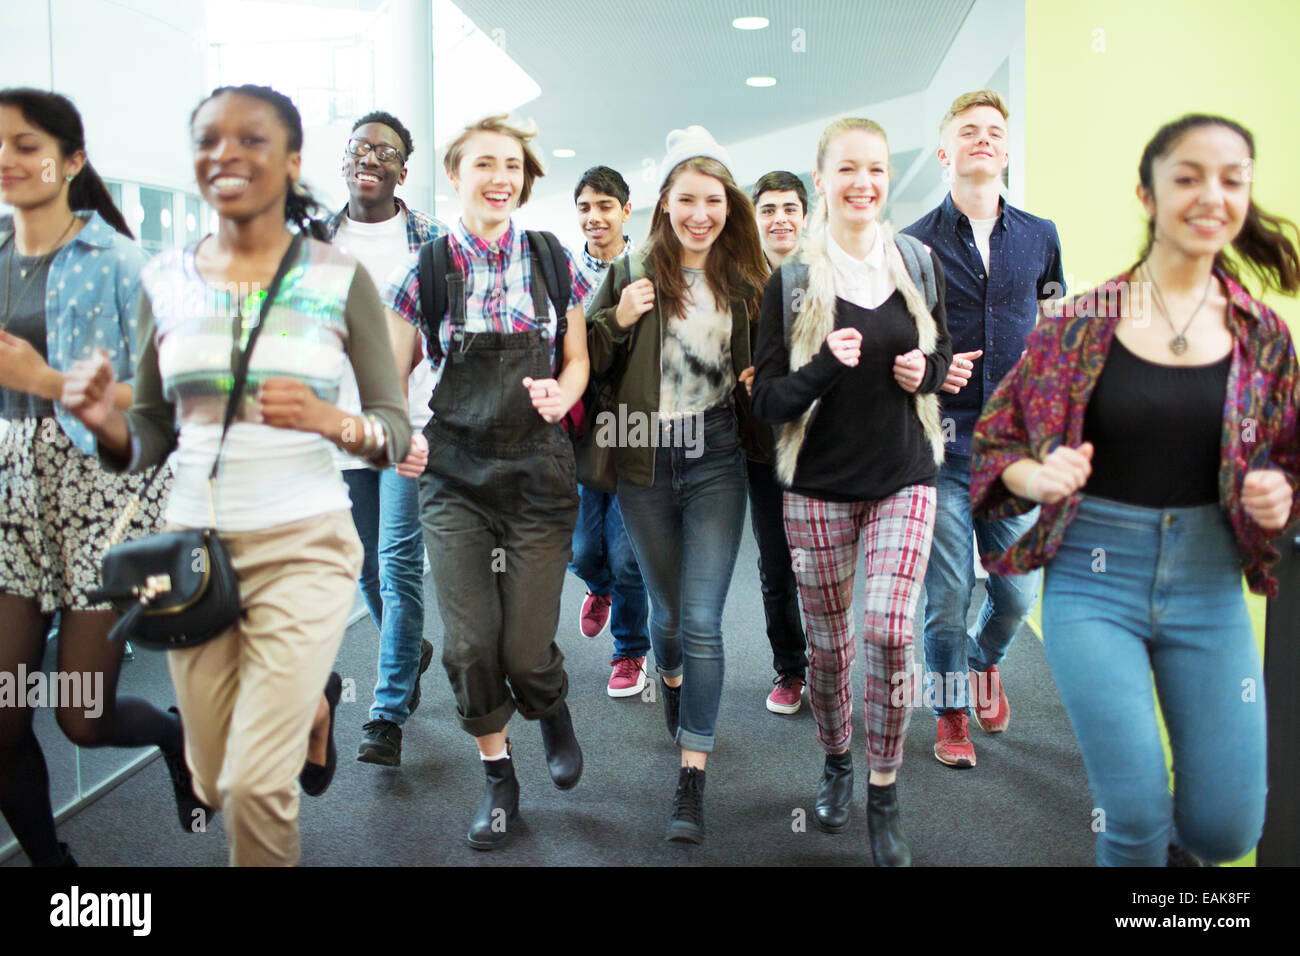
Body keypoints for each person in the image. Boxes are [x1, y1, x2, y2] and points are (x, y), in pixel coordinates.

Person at [63, 84, 415, 866]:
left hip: (307, 543)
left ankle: (301, 715)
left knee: (257, 786)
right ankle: (316, 711)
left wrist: (329, 420)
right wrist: (101, 422)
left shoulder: (336, 277)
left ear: (291, 162)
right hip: (192, 551)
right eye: (208, 140)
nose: (226, 154)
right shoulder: (165, 279)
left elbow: (392, 435)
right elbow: (150, 437)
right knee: (215, 777)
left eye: (251, 140)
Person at [971, 113, 1299, 867]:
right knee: (1136, 814)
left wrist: (1275, 491)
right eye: (1187, 176)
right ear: (1147, 195)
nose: (1211, 194)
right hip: (1096, 579)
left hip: (1210, 583)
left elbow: (1287, 456)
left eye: (1232, 178)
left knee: (1225, 828)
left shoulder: (1262, 336)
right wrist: (1037, 475)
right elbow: (998, 446)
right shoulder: (1079, 326)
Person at [0, 88, 201, 867]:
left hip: (103, 501)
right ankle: (55, 869)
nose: (8, 158)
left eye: (26, 143)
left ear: (71, 160)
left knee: (81, 717)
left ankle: (172, 736)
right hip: (14, 501)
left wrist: (49, 380)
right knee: (4, 721)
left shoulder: (125, 264)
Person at [383, 114, 589, 851]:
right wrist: (398, 430)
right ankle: (500, 778)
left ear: (526, 180)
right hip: (455, 478)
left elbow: (579, 357)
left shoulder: (552, 259)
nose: (501, 177)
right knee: (470, 647)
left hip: (538, 473)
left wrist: (566, 394)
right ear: (456, 174)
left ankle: (550, 701)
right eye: (484, 164)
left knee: (526, 650)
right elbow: (392, 371)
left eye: (513, 165)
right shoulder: (430, 269)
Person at [751, 117, 953, 866]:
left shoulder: (919, 263)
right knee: (831, 653)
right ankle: (837, 757)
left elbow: (942, 362)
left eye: (875, 169)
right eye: (847, 170)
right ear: (822, 179)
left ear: (887, 177)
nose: (863, 183)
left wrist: (924, 375)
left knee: (890, 632)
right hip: (818, 487)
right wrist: (821, 371)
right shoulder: (795, 279)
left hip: (904, 476)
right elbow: (767, 401)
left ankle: (884, 785)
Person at [586, 126, 767, 844]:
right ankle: (668, 678)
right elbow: (588, 361)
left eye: (713, 200)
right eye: (686, 199)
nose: (700, 213)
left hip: (716, 454)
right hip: (643, 457)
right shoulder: (632, 268)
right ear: (664, 204)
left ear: (728, 206)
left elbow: (768, 362)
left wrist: (763, 382)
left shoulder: (745, 280)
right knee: (664, 616)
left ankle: (692, 773)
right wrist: (617, 318)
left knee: (702, 620)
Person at [902, 90, 1064, 768]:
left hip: (1015, 453)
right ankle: (949, 713)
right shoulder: (911, 243)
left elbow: (1056, 323)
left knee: (1015, 594)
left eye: (994, 131)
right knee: (945, 599)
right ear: (946, 151)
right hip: (940, 446)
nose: (984, 139)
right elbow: (894, 346)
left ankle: (982, 659)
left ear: (1005, 147)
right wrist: (925, 371)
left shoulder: (1040, 235)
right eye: (969, 131)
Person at [323, 110, 443, 767]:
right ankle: (412, 646)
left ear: (403, 167)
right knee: (363, 565)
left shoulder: (430, 239)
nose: (370, 157)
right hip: (337, 426)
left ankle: (386, 712)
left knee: (397, 567)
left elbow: (453, 336)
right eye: (359, 146)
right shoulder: (312, 237)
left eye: (386, 150)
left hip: (408, 425)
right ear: (344, 159)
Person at [566, 165, 651, 698]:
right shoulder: (562, 272)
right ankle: (600, 589)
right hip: (580, 426)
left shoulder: (646, 267)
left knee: (626, 552)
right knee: (581, 551)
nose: (594, 217)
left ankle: (630, 652)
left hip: (637, 426)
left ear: (624, 210)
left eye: (604, 206)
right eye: (584, 207)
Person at [747, 170, 811, 713]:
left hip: (822, 447)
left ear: (805, 216)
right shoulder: (738, 286)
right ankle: (790, 669)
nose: (780, 219)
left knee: (822, 563)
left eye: (789, 208)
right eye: (768, 209)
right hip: (760, 448)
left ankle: (831, 663)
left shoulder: (829, 278)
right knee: (775, 565)